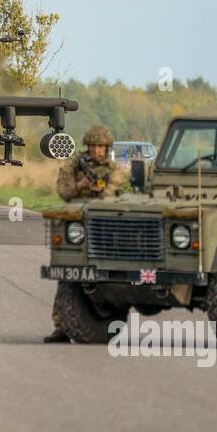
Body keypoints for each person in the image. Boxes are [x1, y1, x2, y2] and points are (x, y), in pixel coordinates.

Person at [45, 124, 130, 342]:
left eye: (101, 147)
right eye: (93, 146)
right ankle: (62, 325)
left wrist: (104, 190)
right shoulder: (73, 166)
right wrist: (80, 185)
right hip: (80, 219)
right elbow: (64, 192)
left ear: (107, 148)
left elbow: (117, 188)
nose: (97, 151)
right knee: (68, 274)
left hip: (109, 221)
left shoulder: (115, 169)